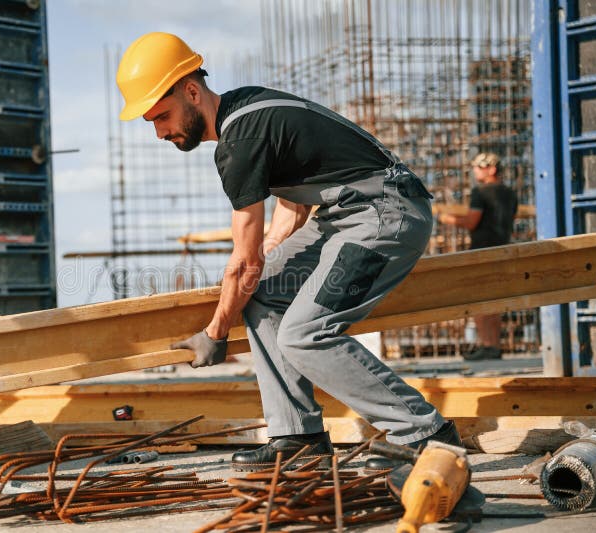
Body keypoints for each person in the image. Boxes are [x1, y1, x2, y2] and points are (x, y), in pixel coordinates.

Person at [116, 32, 462, 470]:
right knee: (261, 291)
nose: (160, 131)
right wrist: (272, 254)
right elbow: (294, 201)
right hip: (345, 214)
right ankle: (297, 437)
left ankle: (425, 433)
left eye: (162, 116)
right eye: (151, 122)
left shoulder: (238, 143)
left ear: (191, 91)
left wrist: (216, 333)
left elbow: (243, 262)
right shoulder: (247, 109)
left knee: (304, 332)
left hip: (383, 214)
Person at [439, 152, 518, 361]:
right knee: (495, 300)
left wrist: (448, 218)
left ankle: (486, 345)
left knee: (479, 299)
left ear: (491, 169)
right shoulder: (510, 193)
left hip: (482, 251)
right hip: (503, 250)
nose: (474, 171)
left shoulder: (480, 193)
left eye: (478, 167)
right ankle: (495, 346)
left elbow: (472, 222)